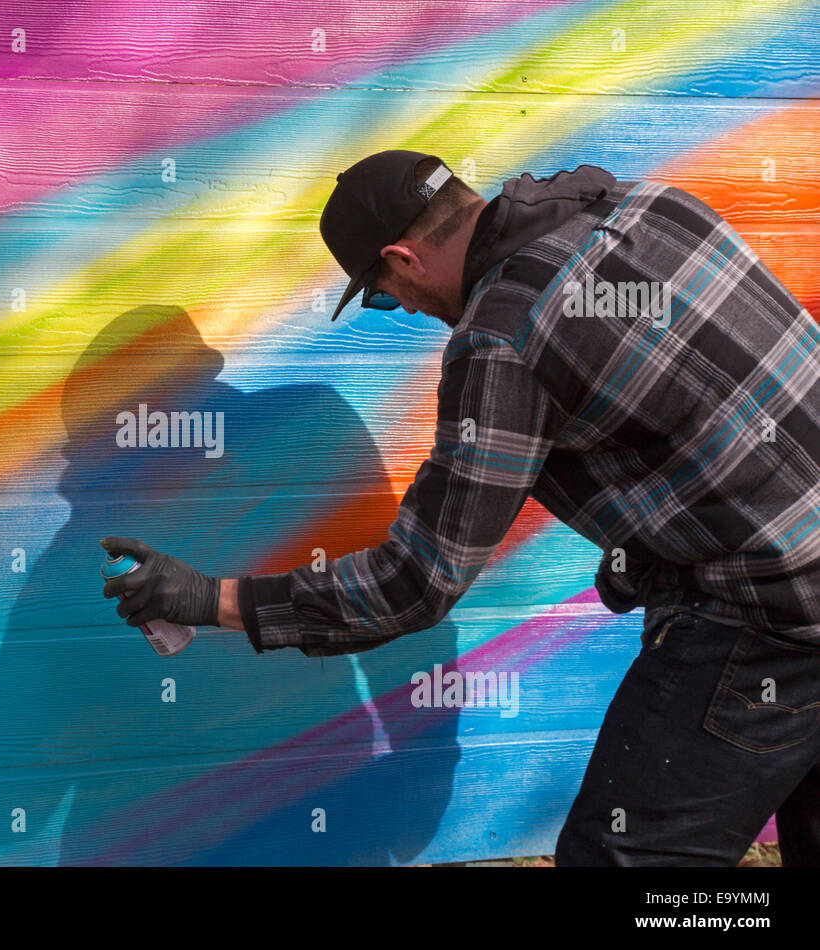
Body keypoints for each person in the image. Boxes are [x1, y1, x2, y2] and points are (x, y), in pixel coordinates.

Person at [99, 149, 820, 865]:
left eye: (384, 293)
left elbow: (415, 581)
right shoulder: (652, 206)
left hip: (771, 616)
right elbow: (716, 416)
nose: (405, 309)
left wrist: (211, 599)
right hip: (794, 576)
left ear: (403, 258)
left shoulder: (503, 337)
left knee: (628, 855)